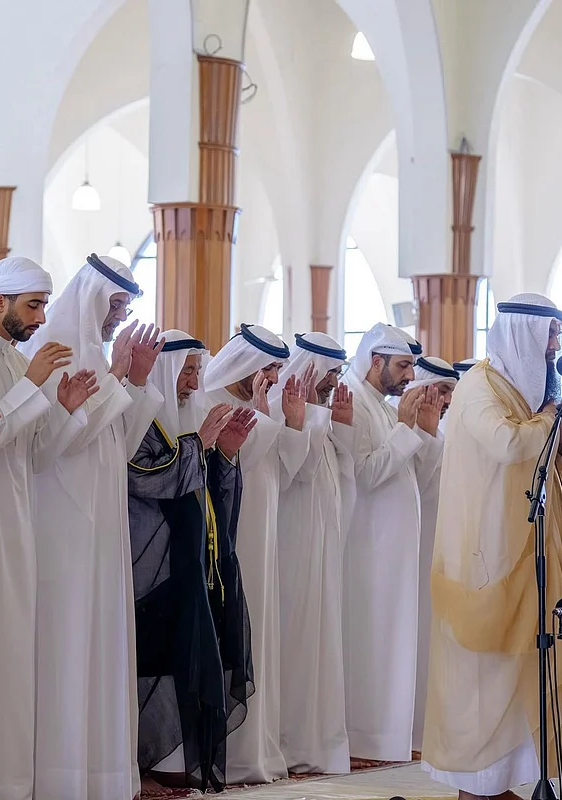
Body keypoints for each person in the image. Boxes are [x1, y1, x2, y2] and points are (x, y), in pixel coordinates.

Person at [422, 293, 562, 799]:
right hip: (485, 562)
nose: (556, 345)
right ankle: (478, 786)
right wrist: (549, 420)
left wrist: (560, 432)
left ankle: (509, 782)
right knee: (485, 682)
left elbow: (547, 456)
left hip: (526, 556)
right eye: (551, 335)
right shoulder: (479, 387)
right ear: (525, 335)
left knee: (524, 676)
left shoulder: (524, 393)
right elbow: (508, 443)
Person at [21, 254, 164, 800]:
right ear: (91, 298)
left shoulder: (99, 360)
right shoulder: (50, 350)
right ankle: (62, 775)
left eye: (127, 306)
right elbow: (50, 447)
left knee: (100, 641)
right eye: (117, 304)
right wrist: (119, 376)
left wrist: (137, 380)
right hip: (63, 522)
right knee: (68, 641)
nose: (119, 315)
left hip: (102, 524)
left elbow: (118, 447)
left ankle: (103, 771)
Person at [0, 257, 96, 799]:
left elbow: (36, 456)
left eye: (43, 305)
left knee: (14, 649)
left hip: (16, 520)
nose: (41, 318)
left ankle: (9, 780)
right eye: (33, 305)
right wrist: (34, 383)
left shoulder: (16, 361)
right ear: (0, 303)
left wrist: (61, 408)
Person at [128, 330, 255, 792]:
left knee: (188, 662)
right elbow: (142, 482)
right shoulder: (143, 420)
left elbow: (204, 490)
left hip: (192, 568)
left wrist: (225, 454)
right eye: (185, 370)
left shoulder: (191, 416)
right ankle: (146, 763)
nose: (192, 380)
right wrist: (198, 445)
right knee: (152, 665)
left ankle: (179, 763)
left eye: (197, 371)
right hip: (152, 568)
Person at [203, 323, 313, 784]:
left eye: (276, 368)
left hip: (263, 532)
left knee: (262, 632)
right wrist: (269, 414)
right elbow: (230, 466)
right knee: (236, 634)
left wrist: (292, 422)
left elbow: (284, 475)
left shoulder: (254, 406)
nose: (271, 376)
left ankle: (261, 746)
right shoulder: (211, 399)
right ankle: (237, 751)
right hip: (232, 534)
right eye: (266, 367)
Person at [343, 323, 444, 765]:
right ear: (375, 360)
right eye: (403, 366)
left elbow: (412, 479)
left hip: (397, 548)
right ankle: (367, 739)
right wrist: (406, 428)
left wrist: (423, 431)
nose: (409, 376)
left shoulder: (382, 408)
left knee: (396, 640)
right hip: (372, 547)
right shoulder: (355, 404)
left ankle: (390, 737)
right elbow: (364, 475)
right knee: (374, 640)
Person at [276, 332, 356, 775]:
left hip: (322, 543)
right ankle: (290, 742)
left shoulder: (318, 412)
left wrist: (338, 423)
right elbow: (298, 473)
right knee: (297, 640)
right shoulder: (281, 404)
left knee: (320, 640)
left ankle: (317, 741)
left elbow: (344, 474)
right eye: (328, 372)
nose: (333, 381)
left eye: (337, 373)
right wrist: (302, 418)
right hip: (294, 542)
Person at [402, 357, 459, 755]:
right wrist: (423, 431)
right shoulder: (403, 419)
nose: (446, 399)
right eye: (441, 390)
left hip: (440, 546)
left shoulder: (447, 425)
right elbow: (418, 482)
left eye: (451, 393)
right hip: (414, 546)